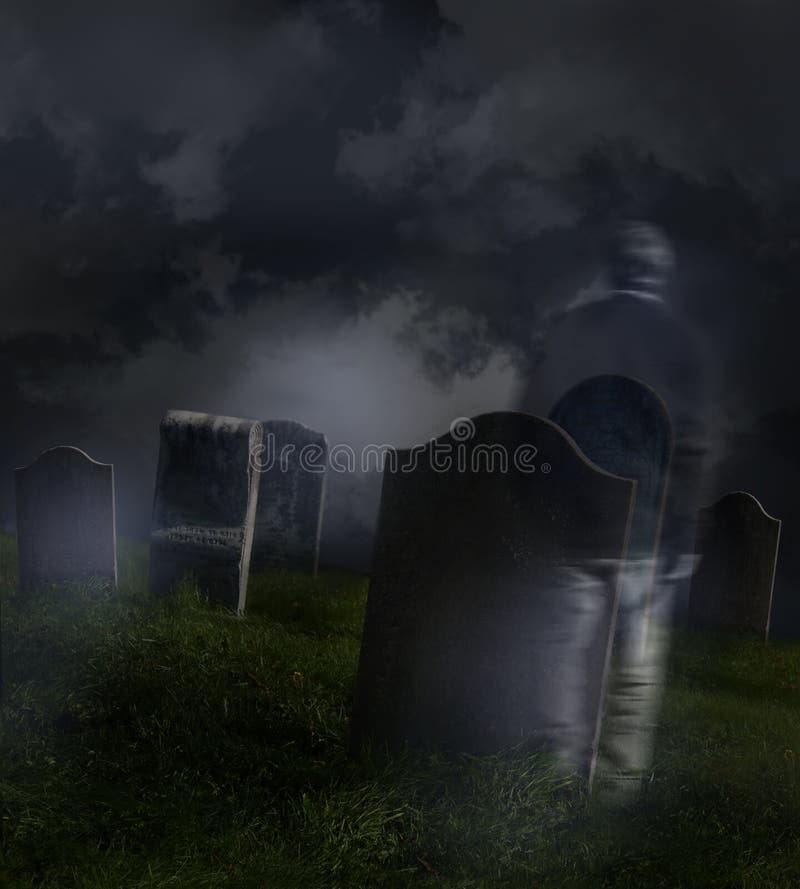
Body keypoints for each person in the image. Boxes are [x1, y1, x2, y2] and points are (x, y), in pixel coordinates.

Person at [517, 219, 715, 798]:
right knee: (633, 666)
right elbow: (693, 446)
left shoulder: (571, 329)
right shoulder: (681, 341)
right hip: (644, 532)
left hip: (571, 523)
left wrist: (533, 506)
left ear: (611, 266)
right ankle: (615, 787)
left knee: (560, 654)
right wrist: (682, 539)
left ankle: (553, 779)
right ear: (659, 272)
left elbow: (530, 424)